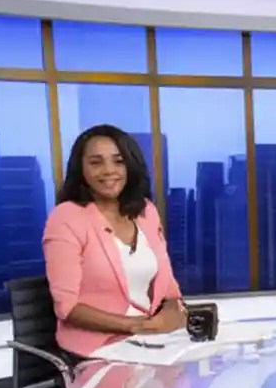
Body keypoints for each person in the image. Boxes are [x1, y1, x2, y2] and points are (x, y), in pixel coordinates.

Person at [43, 124, 187, 360]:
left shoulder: (145, 211)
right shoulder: (66, 218)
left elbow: (170, 289)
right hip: (98, 349)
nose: (109, 170)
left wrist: (170, 315)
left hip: (150, 340)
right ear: (81, 169)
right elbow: (67, 307)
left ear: (130, 166)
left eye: (118, 161)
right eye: (96, 162)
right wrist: (132, 325)